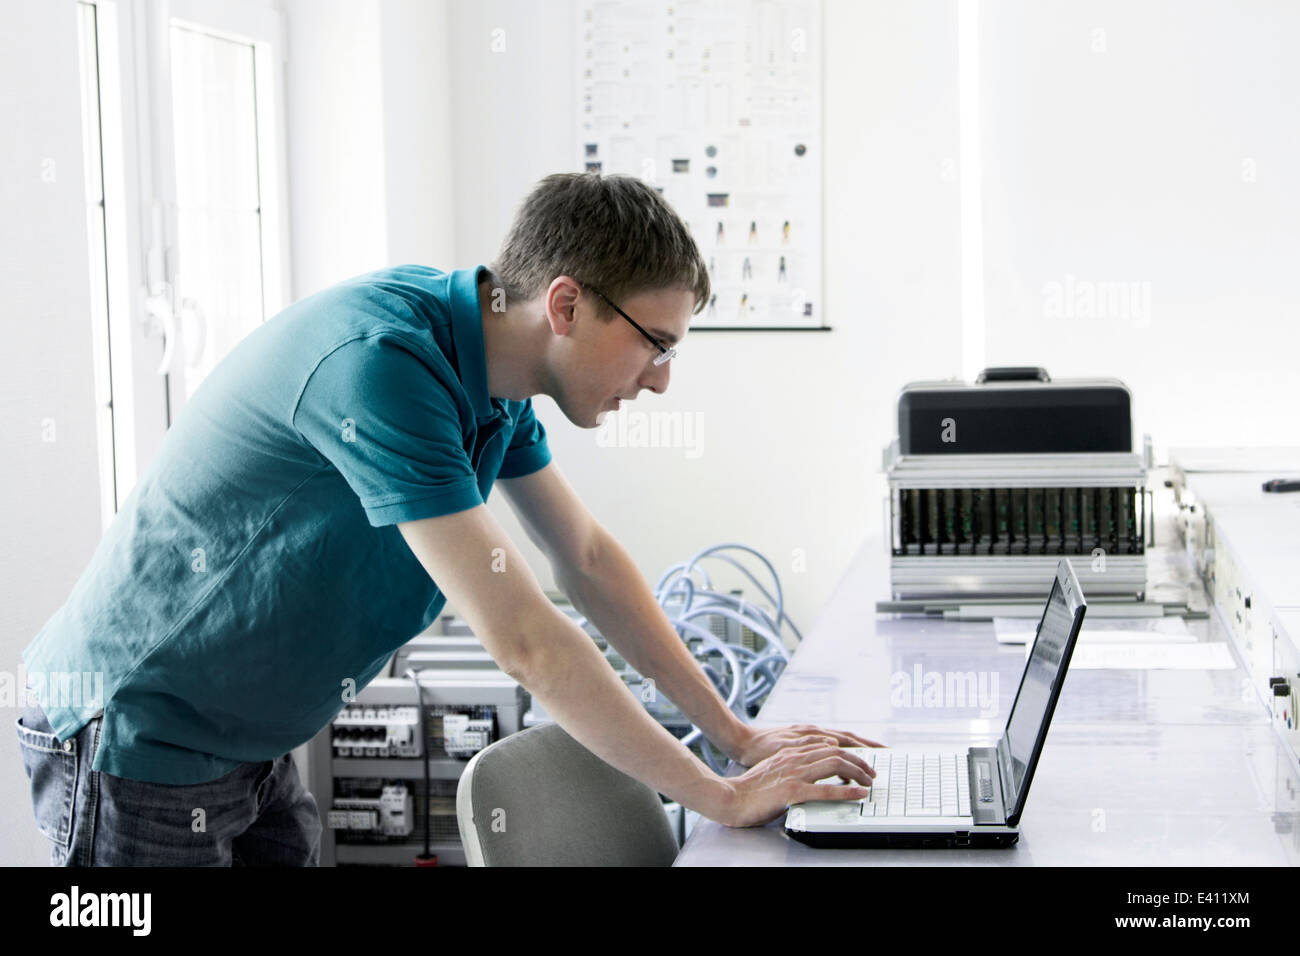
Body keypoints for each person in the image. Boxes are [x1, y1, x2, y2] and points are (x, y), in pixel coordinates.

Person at [17, 172, 878, 866]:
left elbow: (583, 556)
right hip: (135, 725)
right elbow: (526, 642)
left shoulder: (498, 383)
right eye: (656, 342)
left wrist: (737, 736)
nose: (659, 379)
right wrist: (719, 796)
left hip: (252, 737)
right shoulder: (384, 366)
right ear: (567, 306)